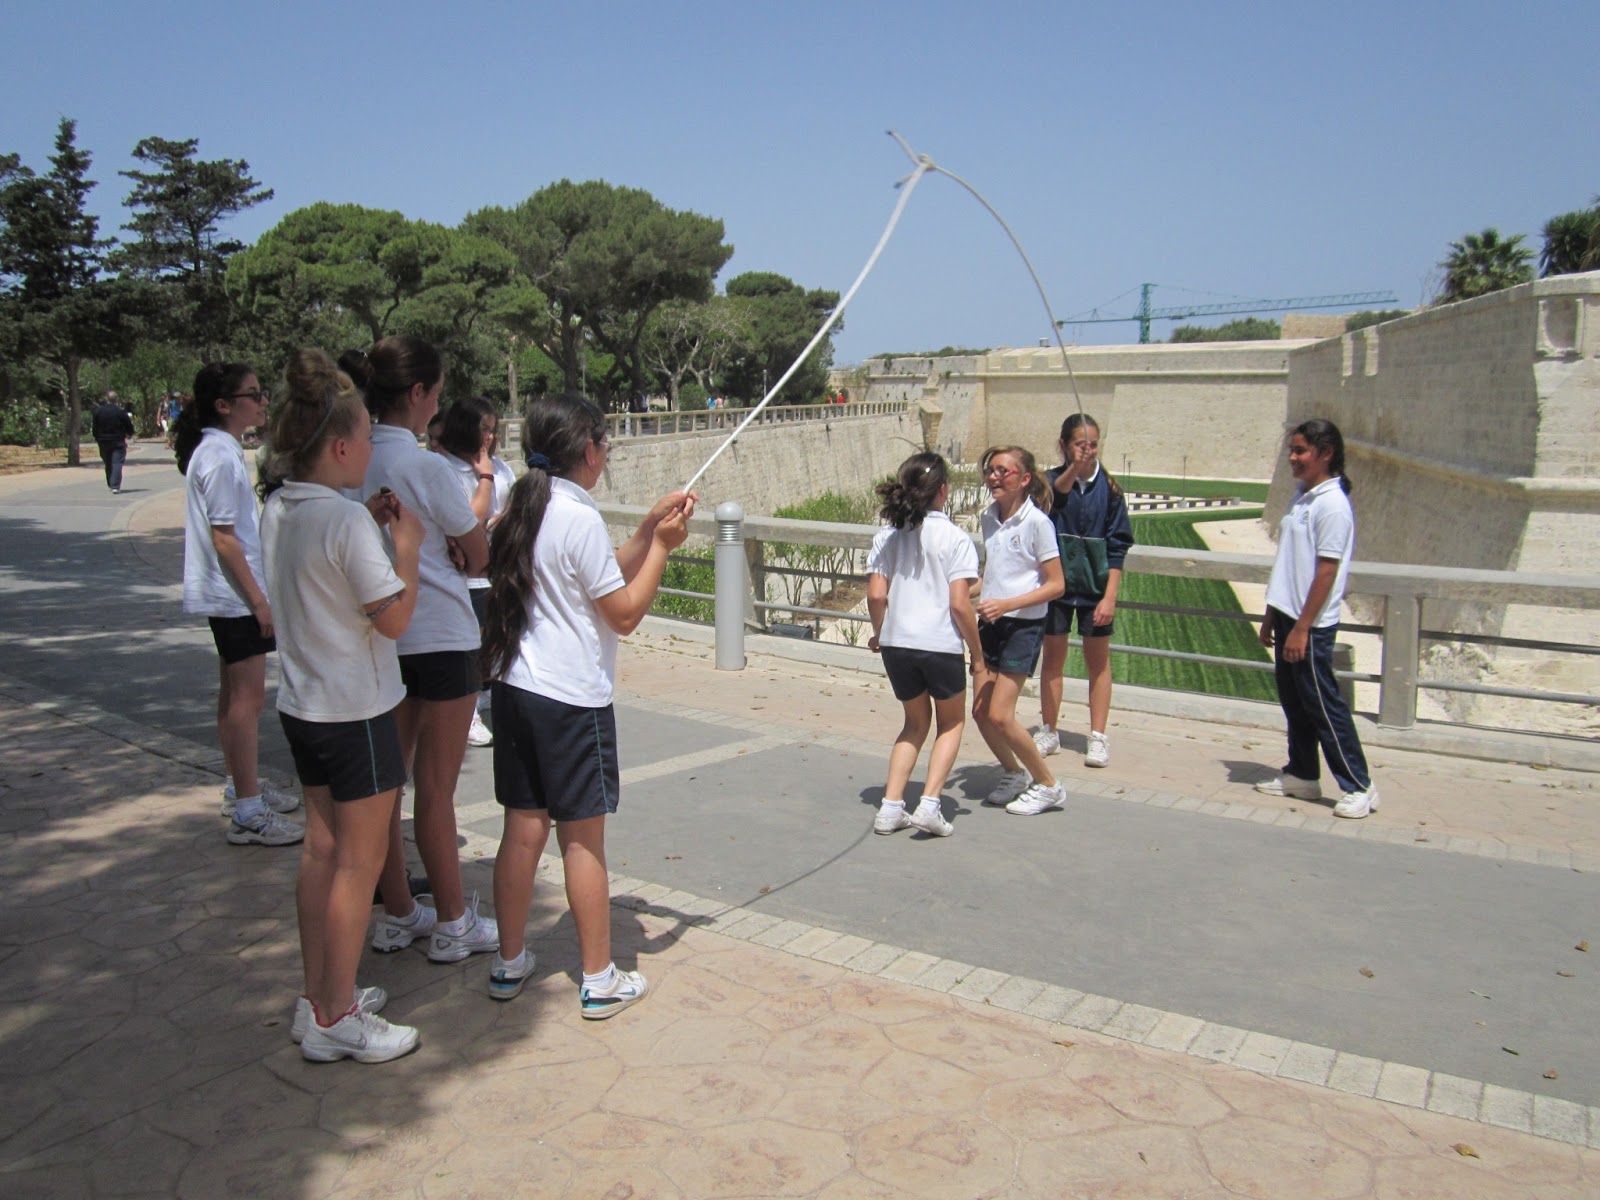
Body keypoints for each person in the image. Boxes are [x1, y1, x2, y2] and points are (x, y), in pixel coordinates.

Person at [482, 392, 693, 1015]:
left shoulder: (531, 506)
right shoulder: (575, 516)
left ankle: (509, 961)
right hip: (571, 701)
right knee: (582, 840)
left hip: (517, 691)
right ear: (590, 451)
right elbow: (623, 613)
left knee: (522, 830)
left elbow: (595, 573)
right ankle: (599, 978)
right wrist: (663, 550)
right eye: (605, 444)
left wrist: (645, 531)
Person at [258, 348, 424, 1063]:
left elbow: (324, 564)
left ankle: (317, 994)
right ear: (341, 444)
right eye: (361, 441)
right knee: (361, 861)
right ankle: (338, 1014)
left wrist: (370, 522)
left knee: (321, 852)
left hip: (303, 704)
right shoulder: (349, 525)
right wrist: (407, 551)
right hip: (357, 710)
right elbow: (393, 620)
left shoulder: (281, 506)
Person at [342, 336, 499, 962]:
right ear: (418, 394)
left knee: (390, 788)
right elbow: (478, 548)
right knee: (437, 788)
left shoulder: (353, 460)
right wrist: (463, 549)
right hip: (440, 633)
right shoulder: (425, 466)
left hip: (383, 636)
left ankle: (399, 911)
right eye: (435, 391)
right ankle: (455, 921)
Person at [174, 364, 303, 843]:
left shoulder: (216, 451)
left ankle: (241, 786)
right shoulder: (221, 457)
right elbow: (226, 539)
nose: (262, 402)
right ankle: (249, 810)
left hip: (226, 594)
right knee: (246, 701)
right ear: (224, 405)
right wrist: (259, 600)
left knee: (233, 695)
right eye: (253, 394)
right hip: (234, 597)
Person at [1255, 419, 1380, 819]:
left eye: (1300, 451)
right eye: (1292, 450)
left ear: (1326, 454)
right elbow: (1289, 564)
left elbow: (1326, 571)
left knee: (1325, 707)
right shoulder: (1303, 496)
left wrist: (1304, 627)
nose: (1292, 458)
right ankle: (1303, 774)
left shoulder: (1332, 505)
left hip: (1311, 625)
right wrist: (1274, 614)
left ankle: (1359, 785)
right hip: (1290, 616)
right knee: (1296, 704)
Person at [865, 452, 984, 838]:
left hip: (897, 642)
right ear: (943, 491)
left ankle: (890, 807)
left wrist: (880, 633)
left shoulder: (887, 536)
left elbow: (876, 596)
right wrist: (978, 657)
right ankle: (930, 803)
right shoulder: (955, 537)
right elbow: (959, 603)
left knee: (913, 724)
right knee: (951, 723)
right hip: (939, 643)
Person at [1034, 413, 1135, 768]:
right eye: (1080, 444)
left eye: (1093, 444)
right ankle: (1049, 729)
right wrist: (1071, 470)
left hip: (1094, 588)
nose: (1087, 451)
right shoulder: (1049, 483)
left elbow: (1118, 548)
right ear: (1064, 446)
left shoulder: (1110, 490)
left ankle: (1098, 736)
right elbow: (1049, 504)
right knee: (1053, 661)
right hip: (1057, 587)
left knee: (1098, 664)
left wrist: (1110, 597)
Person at [972, 445, 1067, 815]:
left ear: (1024, 479)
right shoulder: (988, 517)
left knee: (1000, 715)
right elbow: (995, 573)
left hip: (1022, 627)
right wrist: (966, 590)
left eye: (1003, 472)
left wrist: (1007, 604)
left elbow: (1056, 584)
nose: (994, 477)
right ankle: (1014, 773)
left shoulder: (1037, 523)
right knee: (981, 712)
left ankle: (1049, 784)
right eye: (990, 471)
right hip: (990, 624)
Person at [437, 395, 515, 748]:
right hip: (465, 574)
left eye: (493, 430)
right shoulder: (448, 470)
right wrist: (483, 476)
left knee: (493, 639)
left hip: (496, 569)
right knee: (470, 643)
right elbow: (469, 520)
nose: (488, 437)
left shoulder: (501, 468)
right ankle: (468, 714)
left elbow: (507, 506)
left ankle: (485, 694)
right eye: (483, 429)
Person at [91, 390, 135, 493]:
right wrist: (130, 434)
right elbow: (129, 425)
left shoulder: (98, 412)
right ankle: (114, 485)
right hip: (118, 441)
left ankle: (111, 483)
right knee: (117, 462)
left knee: (108, 463)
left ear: (106, 399)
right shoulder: (120, 412)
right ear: (116, 399)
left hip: (103, 441)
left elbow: (94, 427)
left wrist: (97, 437)